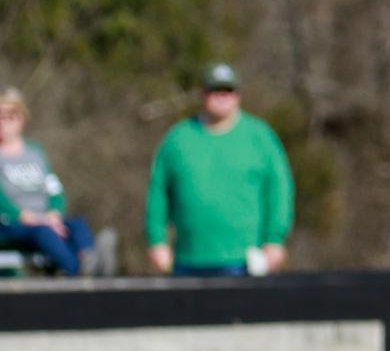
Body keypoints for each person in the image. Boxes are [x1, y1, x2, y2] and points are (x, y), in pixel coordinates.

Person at [145, 63, 295, 277]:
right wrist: (157, 241)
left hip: (245, 262)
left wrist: (275, 239)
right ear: (202, 94)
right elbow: (157, 192)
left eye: (227, 91)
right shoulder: (177, 139)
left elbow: (279, 190)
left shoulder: (260, 137)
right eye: (214, 90)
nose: (221, 96)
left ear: (238, 95)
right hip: (188, 261)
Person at [0, 87, 113, 277]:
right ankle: (78, 272)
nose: (4, 122)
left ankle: (91, 258)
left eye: (10, 115)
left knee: (77, 224)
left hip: (44, 220)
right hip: (11, 225)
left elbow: (54, 189)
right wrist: (33, 218)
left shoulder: (35, 152)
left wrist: (54, 214)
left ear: (22, 118)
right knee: (44, 232)